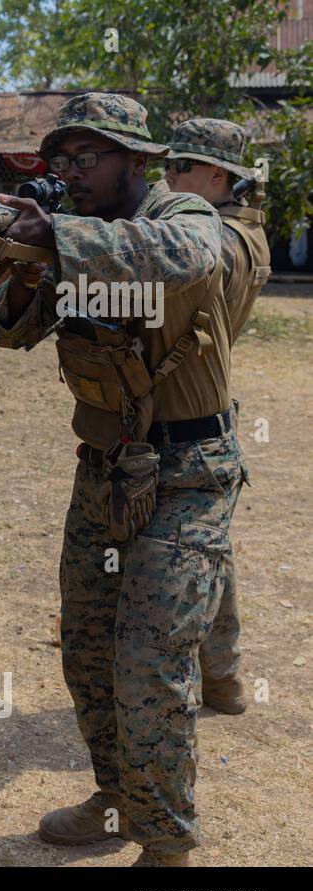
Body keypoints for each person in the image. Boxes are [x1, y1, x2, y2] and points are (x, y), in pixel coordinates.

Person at [0, 93, 236, 866]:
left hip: (190, 472)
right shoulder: (72, 236)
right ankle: (118, 792)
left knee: (151, 664)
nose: (71, 172)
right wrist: (20, 264)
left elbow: (185, 258)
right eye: (61, 160)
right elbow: (9, 329)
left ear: (136, 159)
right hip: (105, 470)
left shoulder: (184, 214)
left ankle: (165, 844)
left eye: (88, 156)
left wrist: (56, 233)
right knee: (87, 651)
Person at [163, 118, 271, 716]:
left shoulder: (219, 240)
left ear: (218, 176)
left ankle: (192, 686)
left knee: (186, 566)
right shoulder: (247, 231)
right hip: (212, 407)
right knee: (214, 552)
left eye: (180, 167)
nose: (168, 177)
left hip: (190, 415)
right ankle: (224, 679)